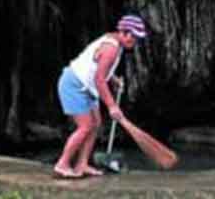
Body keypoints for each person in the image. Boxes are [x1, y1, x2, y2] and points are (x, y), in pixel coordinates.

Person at [52, 13, 148, 178]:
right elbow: (99, 79)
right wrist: (112, 106)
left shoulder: (116, 43)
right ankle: (62, 164)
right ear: (123, 32)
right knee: (85, 126)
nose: (135, 42)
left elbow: (99, 68)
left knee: (96, 124)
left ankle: (82, 165)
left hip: (87, 86)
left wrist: (114, 79)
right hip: (74, 84)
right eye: (134, 37)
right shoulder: (111, 48)